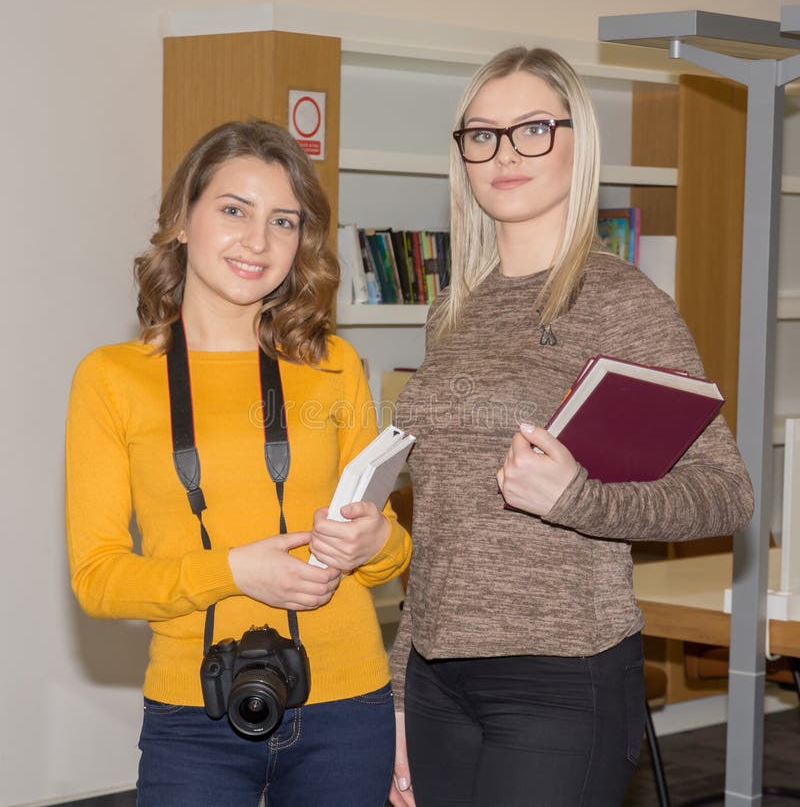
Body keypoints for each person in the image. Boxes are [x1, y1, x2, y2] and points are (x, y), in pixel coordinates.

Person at [388, 47, 754, 807]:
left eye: (532, 130)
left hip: (560, 676)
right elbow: (442, 523)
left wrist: (578, 498)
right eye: (482, 134)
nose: (504, 153)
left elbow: (726, 493)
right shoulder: (452, 311)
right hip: (436, 676)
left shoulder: (622, 303)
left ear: (577, 143)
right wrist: (399, 688)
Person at [65, 120, 411, 807]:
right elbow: (98, 579)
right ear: (181, 220)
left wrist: (374, 540)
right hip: (194, 713)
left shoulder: (334, 365)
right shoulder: (111, 378)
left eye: (283, 221)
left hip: (346, 708)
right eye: (233, 210)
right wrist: (234, 571)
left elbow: (390, 552)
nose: (258, 241)